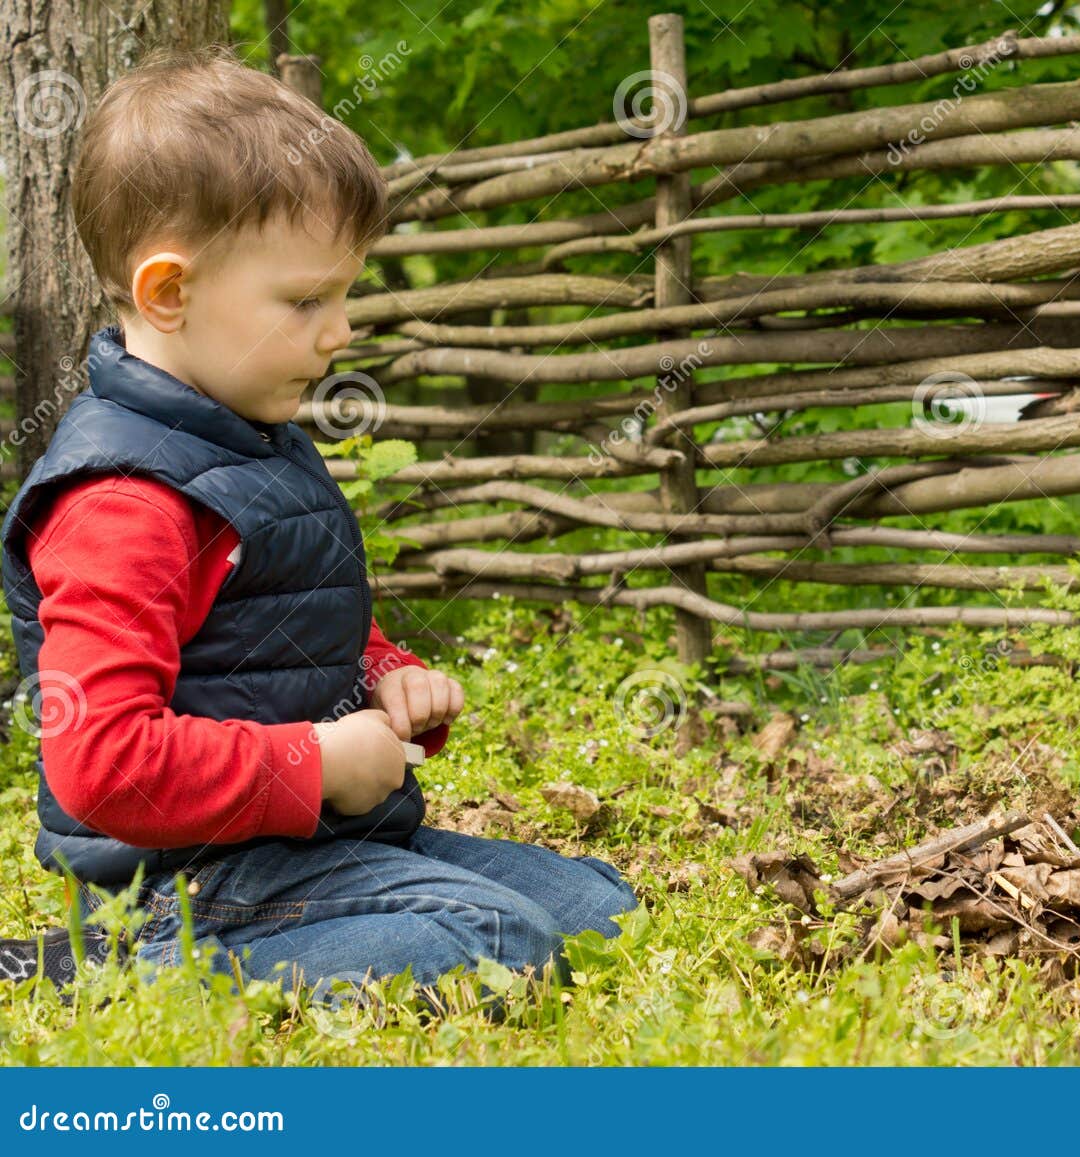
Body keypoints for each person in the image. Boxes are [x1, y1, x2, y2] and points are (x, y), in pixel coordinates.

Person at [0, 46, 635, 1000]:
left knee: (602, 907)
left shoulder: (252, 435)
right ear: (169, 292)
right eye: (305, 301)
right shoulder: (122, 503)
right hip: (188, 880)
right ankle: (136, 966)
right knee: (503, 943)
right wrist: (309, 762)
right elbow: (100, 761)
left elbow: (282, 616)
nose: (339, 333)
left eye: (342, 295)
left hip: (306, 846)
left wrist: (385, 675)